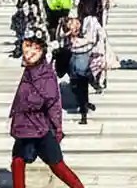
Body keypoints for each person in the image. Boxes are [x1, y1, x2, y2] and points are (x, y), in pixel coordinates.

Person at [9, 25, 86, 188]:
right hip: (24, 127)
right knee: (18, 162)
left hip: (40, 129)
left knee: (57, 166)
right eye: (27, 46)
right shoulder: (30, 70)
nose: (29, 52)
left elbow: (53, 106)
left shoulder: (45, 75)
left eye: (35, 48)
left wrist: (57, 130)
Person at [63, 1, 101, 125]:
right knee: (81, 85)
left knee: (79, 85)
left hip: (79, 56)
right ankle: (85, 103)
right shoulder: (81, 22)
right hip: (80, 56)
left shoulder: (88, 22)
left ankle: (84, 110)